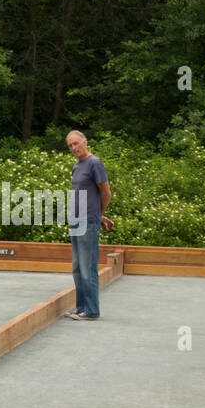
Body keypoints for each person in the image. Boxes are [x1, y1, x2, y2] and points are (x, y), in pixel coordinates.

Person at [64, 130, 114, 321]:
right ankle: (81, 307)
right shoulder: (76, 166)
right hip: (76, 220)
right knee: (77, 267)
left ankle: (92, 311)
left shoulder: (95, 163)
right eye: (70, 146)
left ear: (85, 142)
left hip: (88, 222)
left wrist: (98, 215)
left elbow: (106, 193)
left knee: (88, 266)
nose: (73, 148)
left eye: (76, 143)